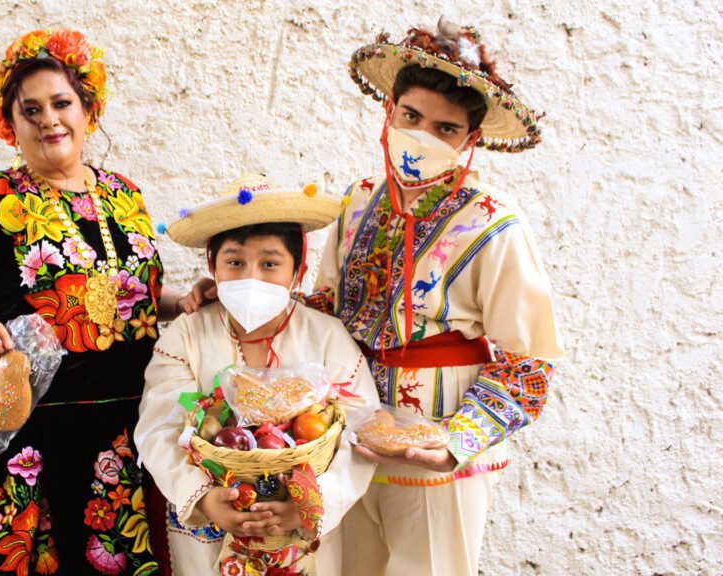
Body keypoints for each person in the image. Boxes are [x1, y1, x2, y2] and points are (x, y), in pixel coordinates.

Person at [182, 20, 563, 576]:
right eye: (411, 117)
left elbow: (531, 361)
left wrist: (457, 439)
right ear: (389, 110)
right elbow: (327, 312)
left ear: (471, 140)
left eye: (446, 128)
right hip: (344, 442)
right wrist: (238, 293)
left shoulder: (496, 226)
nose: (422, 136)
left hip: (439, 444)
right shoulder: (360, 201)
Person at [0, 27, 181, 576]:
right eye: (31, 109)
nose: (49, 119)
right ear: (12, 122)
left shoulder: (124, 196)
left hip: (121, 435)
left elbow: (126, 299)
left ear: (88, 109)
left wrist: (183, 302)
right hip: (22, 444)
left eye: (61, 103)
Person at [136, 174, 381, 575]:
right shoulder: (187, 334)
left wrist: (313, 503)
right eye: (235, 263)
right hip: (210, 535)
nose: (251, 278)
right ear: (212, 267)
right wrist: (202, 499)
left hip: (302, 534)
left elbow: (360, 433)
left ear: (297, 272)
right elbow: (158, 428)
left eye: (270, 263)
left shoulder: (326, 336)